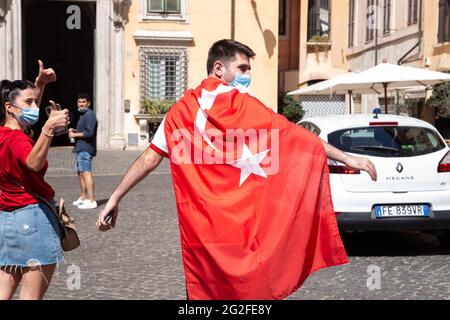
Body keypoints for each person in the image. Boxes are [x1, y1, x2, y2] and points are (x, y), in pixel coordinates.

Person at [96, 39, 377, 300]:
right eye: (242, 68)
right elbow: (297, 137)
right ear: (219, 68)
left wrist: (115, 197)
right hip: (244, 234)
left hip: (203, 236)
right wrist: (347, 158)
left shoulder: (179, 112)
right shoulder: (245, 106)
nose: (247, 75)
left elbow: (149, 159)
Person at [0, 61, 70, 300]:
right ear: (9, 108)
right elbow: (33, 163)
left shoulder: (3, 134)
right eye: (28, 103)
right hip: (31, 218)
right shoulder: (18, 140)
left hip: (6, 220)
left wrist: (40, 84)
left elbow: (27, 113)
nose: (34, 107)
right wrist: (49, 128)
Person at [69, 94, 98, 210]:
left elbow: (89, 133)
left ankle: (91, 201)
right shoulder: (83, 115)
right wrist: (74, 130)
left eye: (83, 102)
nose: (81, 103)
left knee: (86, 173)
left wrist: (74, 134)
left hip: (86, 149)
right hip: (80, 148)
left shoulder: (90, 115)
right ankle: (83, 197)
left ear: (88, 103)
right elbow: (83, 131)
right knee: (80, 174)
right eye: (79, 101)